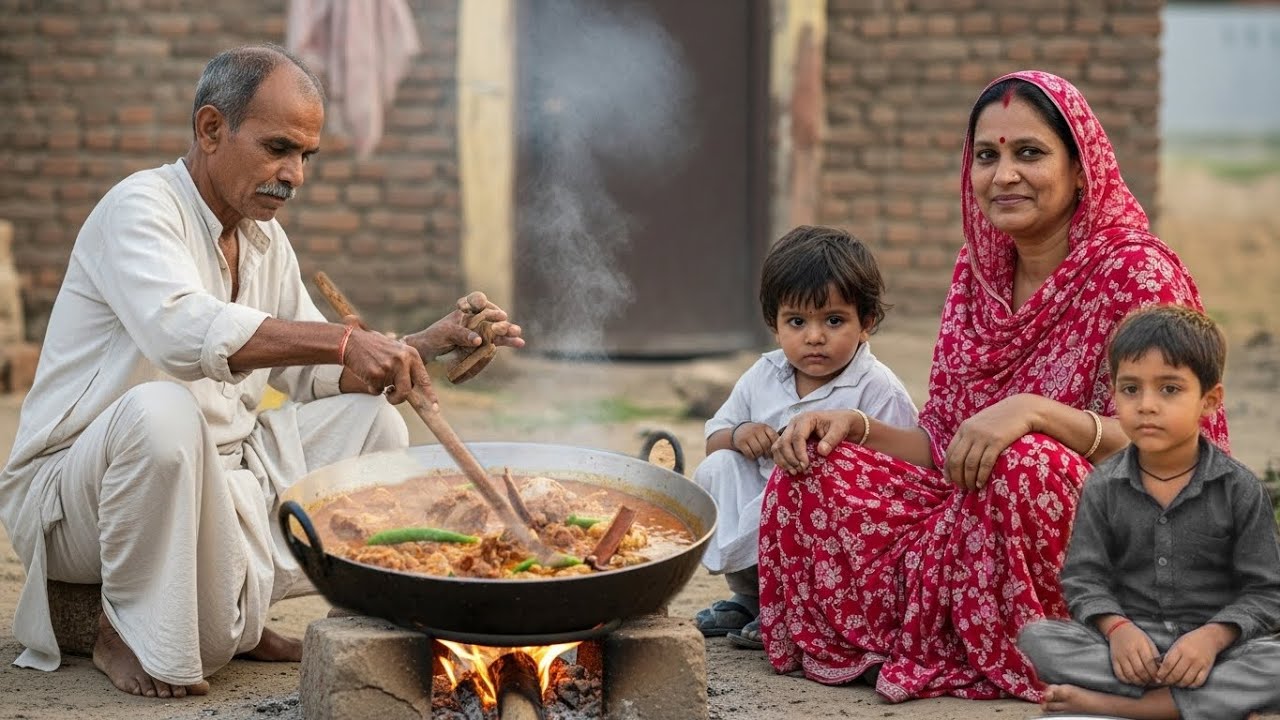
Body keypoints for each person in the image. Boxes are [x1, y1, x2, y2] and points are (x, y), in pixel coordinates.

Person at [0, 44, 524, 699]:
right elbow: (180, 331)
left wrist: (423, 344)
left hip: (218, 478)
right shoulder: (140, 208)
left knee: (374, 426)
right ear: (211, 130)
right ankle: (121, 627)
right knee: (163, 414)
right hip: (80, 497)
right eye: (279, 148)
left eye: (306, 156)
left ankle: (241, 620)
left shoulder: (263, 238)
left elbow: (316, 374)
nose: (294, 175)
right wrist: (341, 343)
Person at [755, 70, 1229, 702]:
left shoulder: (1135, 274)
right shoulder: (977, 271)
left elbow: (1175, 450)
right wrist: (856, 429)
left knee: (1026, 463)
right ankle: (943, 629)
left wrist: (1034, 413)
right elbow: (952, 447)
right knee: (817, 461)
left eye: (1028, 153)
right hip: (980, 503)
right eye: (987, 156)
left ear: (1081, 169)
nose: (1003, 175)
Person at [1018, 305, 1280, 720]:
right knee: (1038, 638)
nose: (1146, 406)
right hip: (1133, 648)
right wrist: (1118, 631)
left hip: (1214, 650)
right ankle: (1210, 704)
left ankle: (1124, 707)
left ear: (1210, 400)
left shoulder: (1239, 489)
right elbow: (1084, 579)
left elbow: (1267, 593)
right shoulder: (1103, 484)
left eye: (1170, 389)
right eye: (1130, 389)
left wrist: (1211, 639)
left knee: (1274, 665)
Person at [691, 226, 918, 648]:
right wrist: (742, 434)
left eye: (834, 320)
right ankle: (752, 598)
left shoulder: (876, 388)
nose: (814, 337)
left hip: (833, 529)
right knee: (718, 466)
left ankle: (798, 610)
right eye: (797, 322)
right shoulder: (764, 374)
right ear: (775, 326)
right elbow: (714, 438)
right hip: (766, 512)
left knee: (796, 487)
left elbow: (901, 480)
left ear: (866, 323)